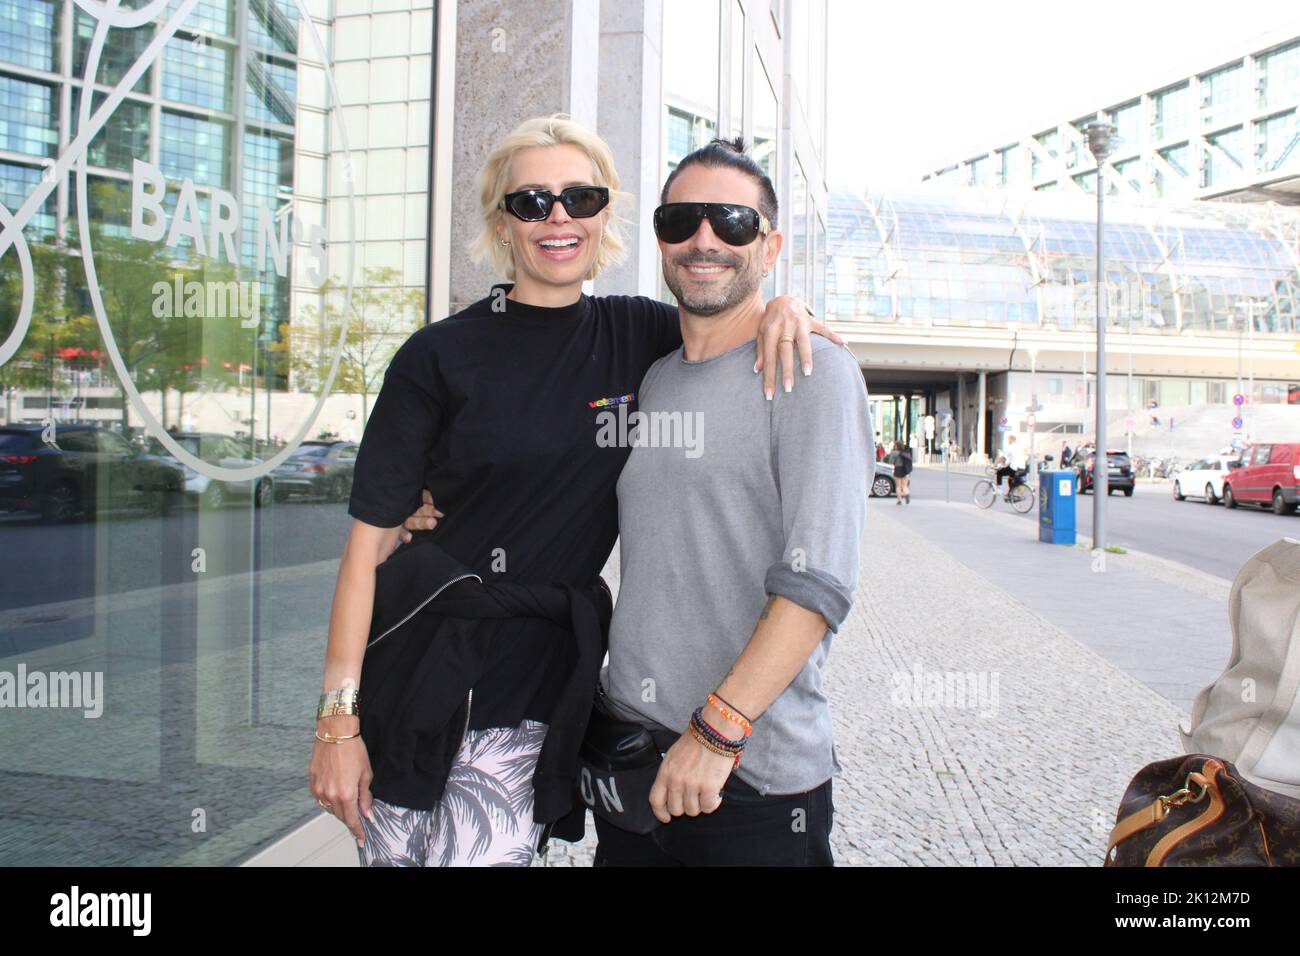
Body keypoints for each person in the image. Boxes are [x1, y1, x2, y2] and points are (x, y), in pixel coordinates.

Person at [306, 115, 835, 867]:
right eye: (531, 202)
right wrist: (337, 726)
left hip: (541, 689)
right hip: (423, 673)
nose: (558, 217)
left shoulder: (638, 336)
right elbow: (362, 559)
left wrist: (789, 308)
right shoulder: (436, 358)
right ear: (502, 222)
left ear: (604, 215)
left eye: (579, 198)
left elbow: (724, 313)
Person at [590, 138, 870, 866]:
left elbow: (817, 585)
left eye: (732, 222)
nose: (704, 239)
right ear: (659, 238)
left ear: (770, 245)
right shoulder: (647, 380)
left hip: (749, 783)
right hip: (634, 766)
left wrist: (717, 732)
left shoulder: (812, 371)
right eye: (682, 220)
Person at [893, 439, 913, 505]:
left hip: (898, 469)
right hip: (905, 470)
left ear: (896, 446)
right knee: (905, 486)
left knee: (898, 486)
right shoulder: (906, 453)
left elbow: (890, 461)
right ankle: (907, 494)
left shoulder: (895, 453)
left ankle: (899, 501)